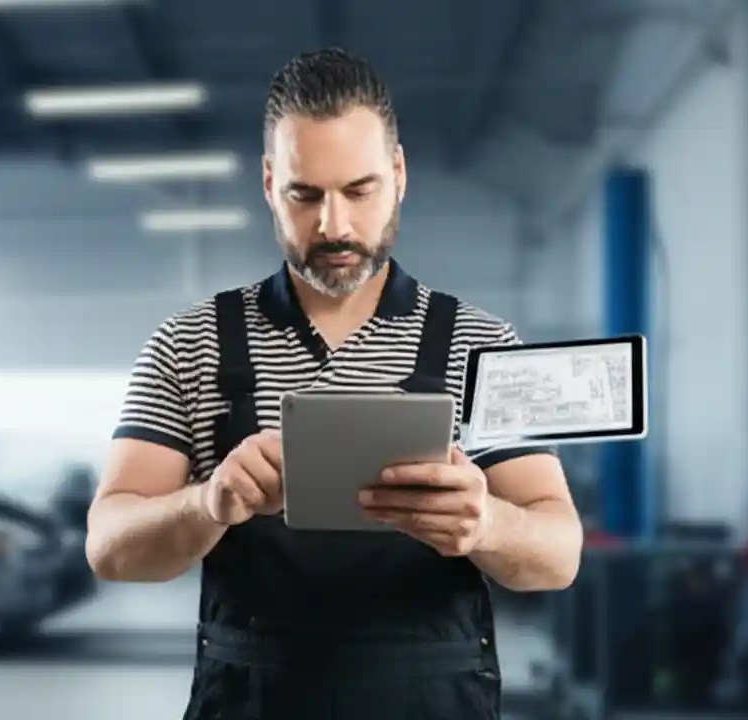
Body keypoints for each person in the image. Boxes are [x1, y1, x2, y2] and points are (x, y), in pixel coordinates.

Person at [86, 47, 583, 719]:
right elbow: (109, 548)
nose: (334, 226)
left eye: (359, 190)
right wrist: (208, 503)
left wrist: (488, 522)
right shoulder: (190, 344)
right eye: (304, 194)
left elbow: (558, 554)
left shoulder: (483, 344)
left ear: (399, 174)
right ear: (268, 183)